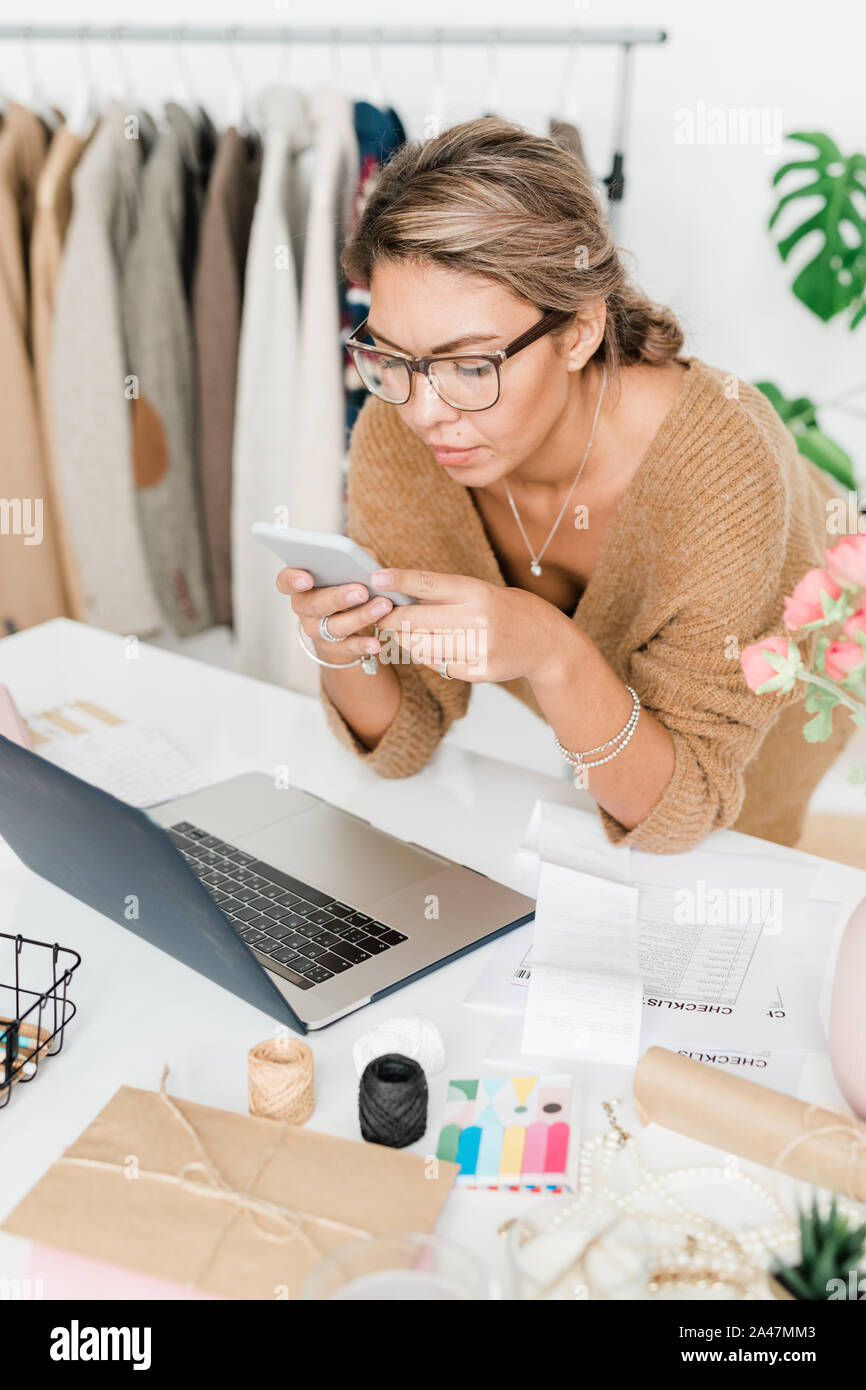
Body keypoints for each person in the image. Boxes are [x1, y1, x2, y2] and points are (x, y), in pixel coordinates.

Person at [278, 118, 854, 854]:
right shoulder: (400, 432)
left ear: (579, 331)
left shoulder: (725, 468)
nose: (425, 412)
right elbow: (402, 740)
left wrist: (550, 649)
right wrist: (340, 642)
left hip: (779, 701)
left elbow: (681, 809)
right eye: (391, 358)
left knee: (722, 885)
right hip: (618, 731)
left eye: (469, 366)